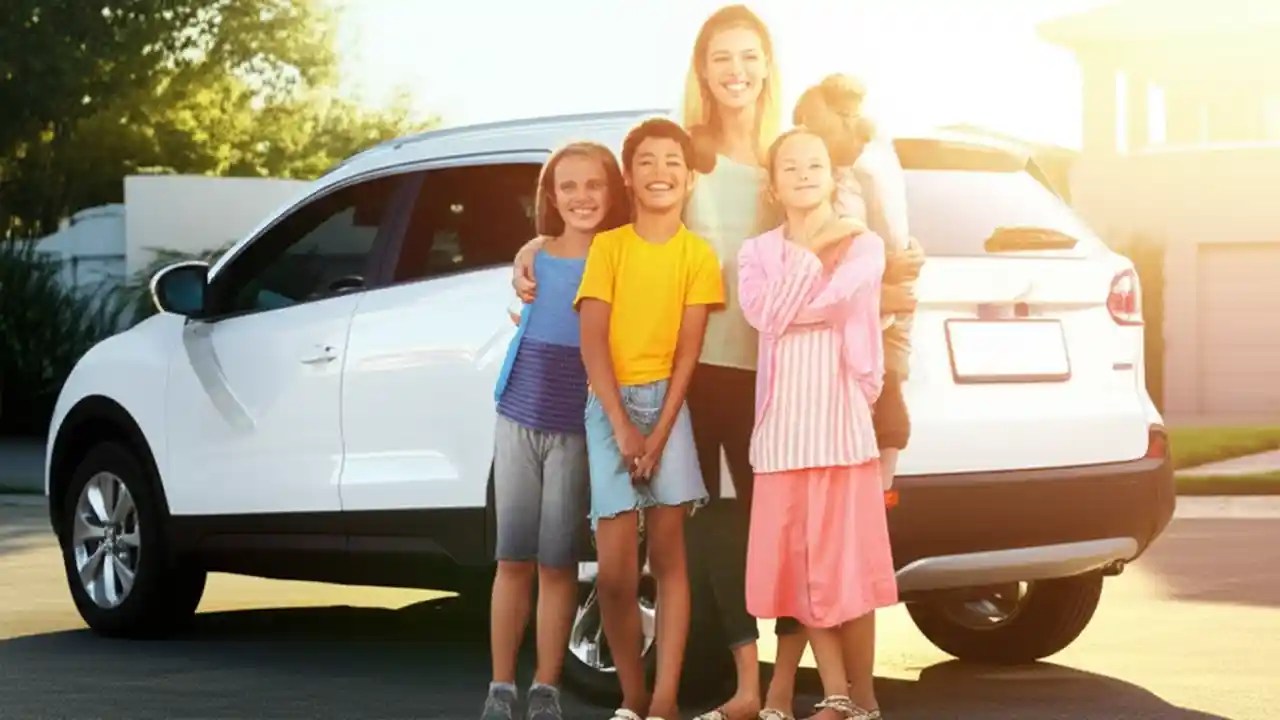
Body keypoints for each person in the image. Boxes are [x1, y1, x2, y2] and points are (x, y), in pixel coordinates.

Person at [759, 75, 924, 720]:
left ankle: (862, 697)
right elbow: (784, 307)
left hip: (865, 400)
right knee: (805, 554)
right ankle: (803, 693)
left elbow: (881, 274)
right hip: (799, 408)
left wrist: (871, 296)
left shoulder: (871, 173)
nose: (852, 122)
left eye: (815, 126)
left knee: (844, 557)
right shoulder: (810, 211)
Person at [739, 127, 898, 720]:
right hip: (781, 433)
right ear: (774, 185)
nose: (804, 175)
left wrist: (810, 282)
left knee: (845, 568)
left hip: (842, 429)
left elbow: (832, 303)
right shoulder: (756, 253)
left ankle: (862, 700)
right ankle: (835, 696)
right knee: (799, 567)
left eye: (815, 165)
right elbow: (766, 316)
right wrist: (815, 252)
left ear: (833, 175)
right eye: (790, 168)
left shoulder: (865, 246)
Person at [575, 117, 724, 720]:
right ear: (628, 179)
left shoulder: (697, 254)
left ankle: (662, 702)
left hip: (670, 405)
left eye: (672, 163)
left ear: (689, 180)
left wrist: (659, 432)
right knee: (614, 573)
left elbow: (688, 353)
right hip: (609, 403)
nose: (660, 172)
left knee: (668, 558)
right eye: (646, 162)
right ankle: (631, 697)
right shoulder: (609, 248)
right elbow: (593, 342)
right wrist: (623, 426)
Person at [481, 142, 630, 720]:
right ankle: (500, 689)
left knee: (556, 561)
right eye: (568, 187)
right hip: (517, 412)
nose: (582, 197)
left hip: (576, 424)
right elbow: (538, 256)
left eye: (594, 185)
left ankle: (546, 688)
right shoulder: (537, 257)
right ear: (551, 197)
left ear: (613, 192)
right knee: (512, 558)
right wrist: (532, 245)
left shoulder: (620, 259)